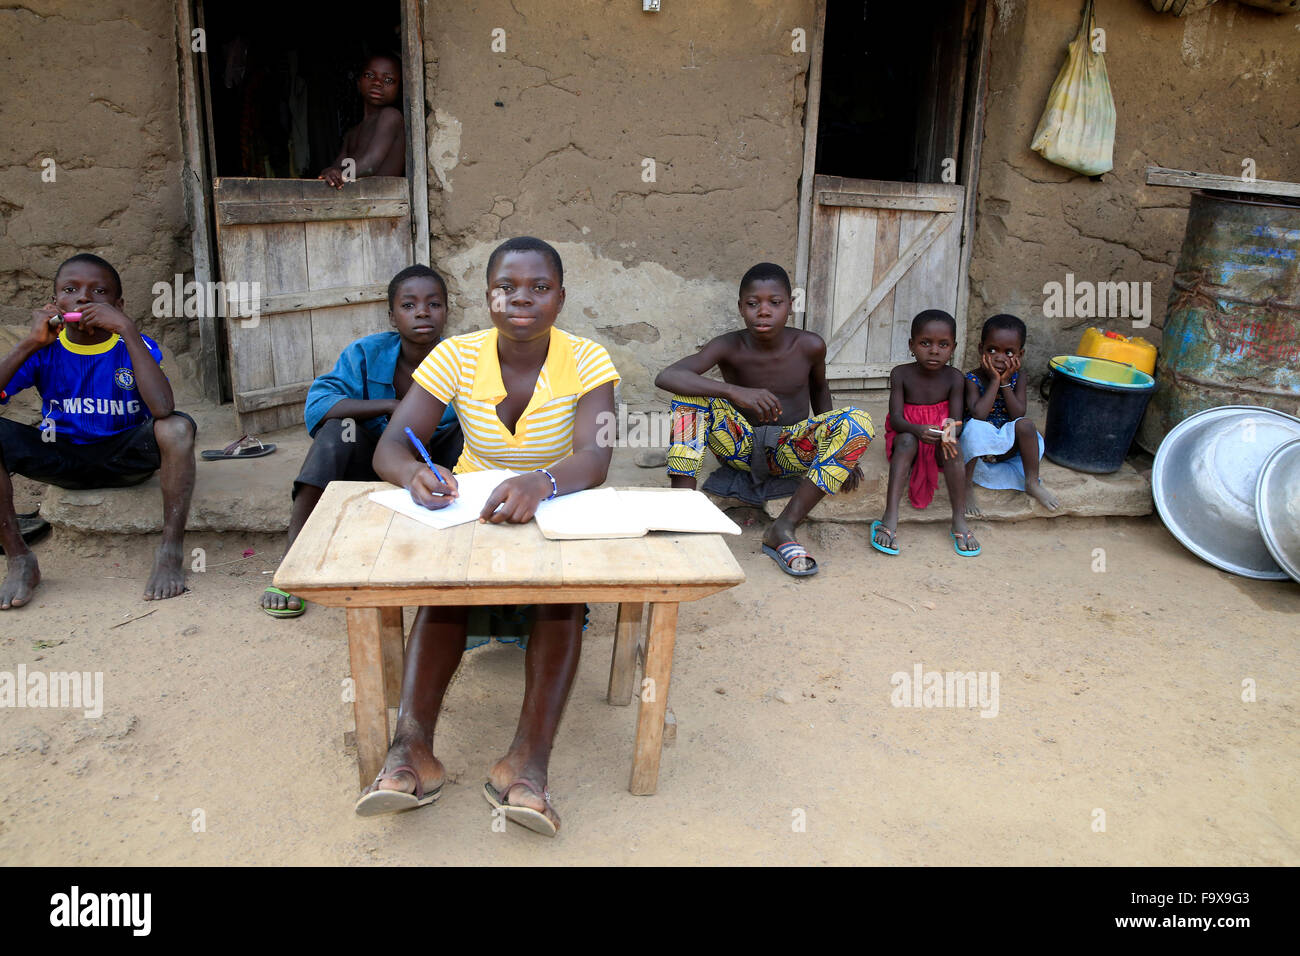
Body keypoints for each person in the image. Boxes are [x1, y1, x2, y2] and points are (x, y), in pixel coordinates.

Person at [362, 237, 619, 836]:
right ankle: (410, 752)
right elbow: (391, 446)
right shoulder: (455, 356)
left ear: (560, 297)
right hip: (475, 510)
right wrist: (415, 473)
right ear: (487, 296)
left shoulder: (588, 360)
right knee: (445, 597)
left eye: (539, 287)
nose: (520, 298)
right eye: (506, 286)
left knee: (562, 602)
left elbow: (596, 457)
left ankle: (526, 767)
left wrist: (544, 482)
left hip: (558, 507)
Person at [261, 265, 462, 617]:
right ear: (392, 315)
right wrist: (391, 406)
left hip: (437, 469)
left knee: (466, 435)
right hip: (371, 465)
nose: (422, 313)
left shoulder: (462, 359)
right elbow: (320, 404)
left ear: (447, 311)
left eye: (434, 304)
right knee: (338, 431)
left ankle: (462, 561)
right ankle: (292, 564)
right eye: (409, 305)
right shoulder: (365, 353)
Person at [0, 254, 196, 608]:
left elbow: (162, 408)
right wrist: (30, 342)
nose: (83, 298)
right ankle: (19, 558)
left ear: (118, 305)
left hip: (125, 459)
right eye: (70, 290)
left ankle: (170, 551)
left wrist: (129, 330)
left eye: (99, 291)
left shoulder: (132, 345)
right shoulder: (45, 349)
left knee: (178, 427)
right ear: (55, 302)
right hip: (61, 456)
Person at [655, 262, 874, 577]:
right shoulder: (729, 345)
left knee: (859, 422)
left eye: (775, 302)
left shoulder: (810, 345)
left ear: (790, 306)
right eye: (753, 303)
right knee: (688, 399)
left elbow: (820, 390)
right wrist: (734, 392)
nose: (764, 311)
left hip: (791, 450)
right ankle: (683, 516)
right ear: (741, 307)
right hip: (739, 446)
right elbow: (668, 376)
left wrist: (837, 450)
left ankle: (782, 528)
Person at [871, 309, 977, 557]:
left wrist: (947, 435)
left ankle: (959, 520)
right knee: (907, 442)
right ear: (911, 345)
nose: (934, 350)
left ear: (953, 348)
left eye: (943, 344)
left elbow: (955, 419)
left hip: (939, 436)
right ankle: (890, 517)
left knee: (954, 447)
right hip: (909, 434)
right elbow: (896, 420)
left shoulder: (954, 378)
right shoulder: (901, 374)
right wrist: (917, 430)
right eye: (925, 343)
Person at [961, 313, 1059, 515]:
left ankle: (1031, 482)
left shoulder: (1019, 377)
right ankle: (966, 485)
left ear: (1020, 355)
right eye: (992, 350)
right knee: (973, 427)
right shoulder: (972, 378)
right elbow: (978, 414)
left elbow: (1017, 414)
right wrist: (994, 381)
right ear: (981, 349)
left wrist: (1005, 382)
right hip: (979, 449)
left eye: (1008, 353)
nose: (999, 357)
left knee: (1026, 424)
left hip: (1006, 447)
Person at [318, 54, 405, 187]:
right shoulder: (352, 133)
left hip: (384, 202)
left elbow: (371, 164)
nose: (377, 82)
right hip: (360, 204)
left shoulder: (391, 116)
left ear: (399, 90)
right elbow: (338, 166)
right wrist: (329, 172)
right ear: (358, 82)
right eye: (369, 75)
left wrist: (340, 175)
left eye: (388, 80)